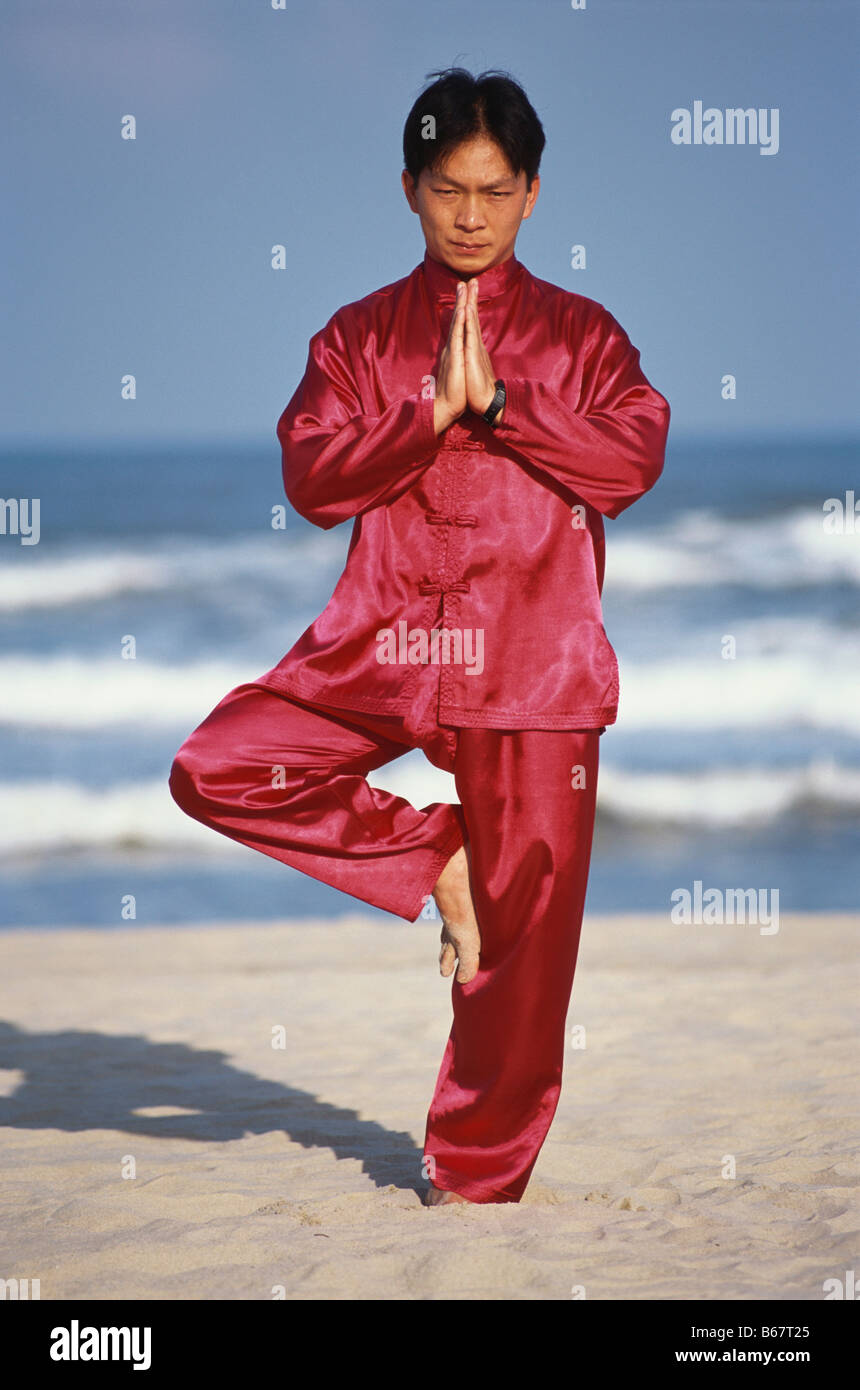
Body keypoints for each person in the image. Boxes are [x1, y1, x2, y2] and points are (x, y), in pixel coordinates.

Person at [169, 67, 671, 1207]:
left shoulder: (584, 337)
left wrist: (505, 408)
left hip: (532, 667)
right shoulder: (353, 337)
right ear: (408, 188)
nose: (468, 214)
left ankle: (475, 1182)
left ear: (532, 194)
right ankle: (429, 856)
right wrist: (428, 413)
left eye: (493, 190)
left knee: (523, 963)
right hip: (383, 643)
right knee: (219, 764)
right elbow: (311, 478)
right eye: (446, 188)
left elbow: (631, 461)